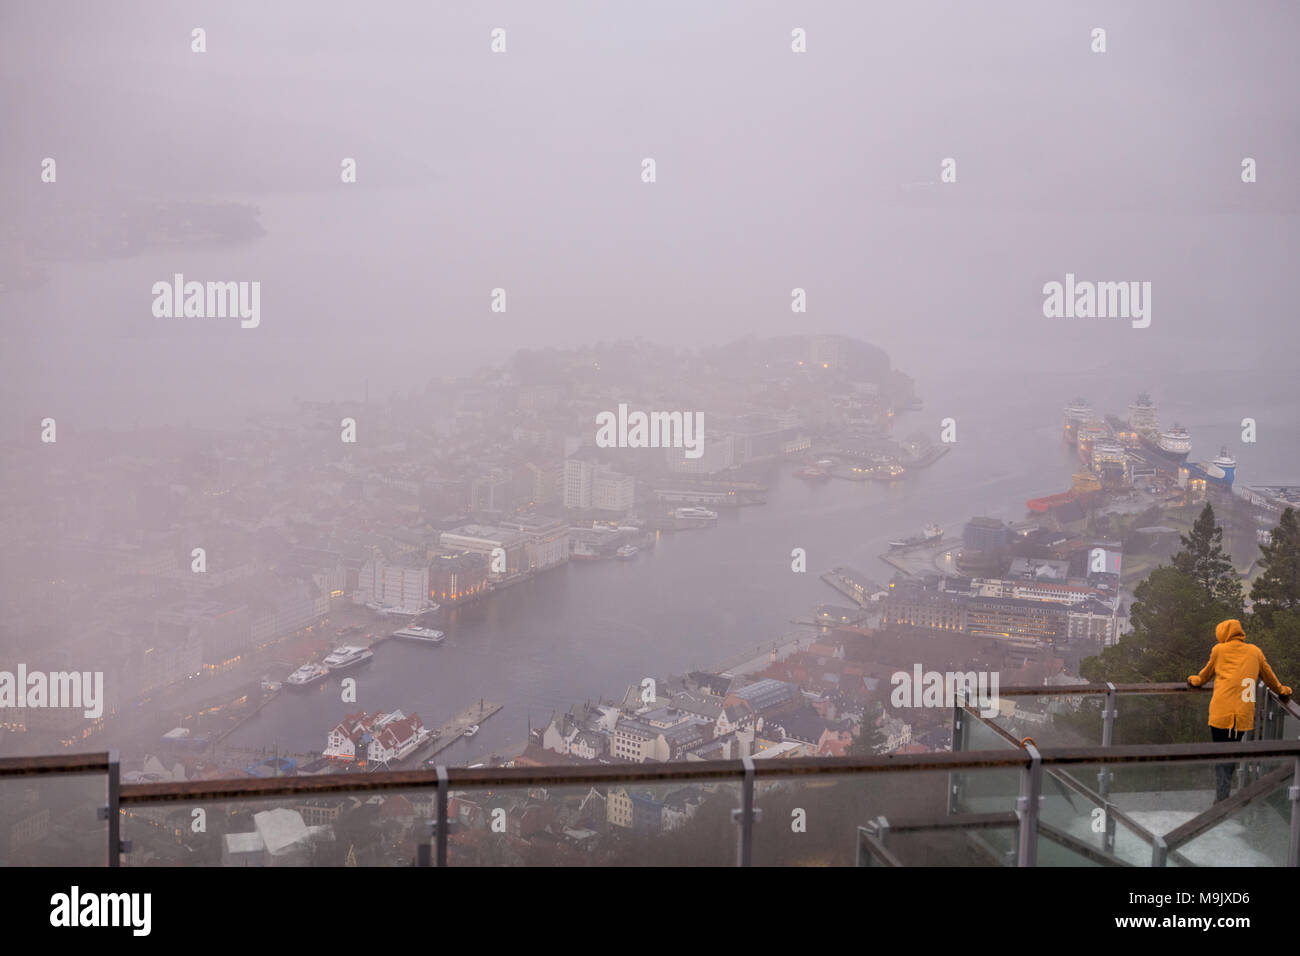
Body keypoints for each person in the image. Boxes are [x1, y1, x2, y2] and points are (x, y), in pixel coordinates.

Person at [1187, 619, 1292, 802]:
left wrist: (1193, 680)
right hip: (1243, 713)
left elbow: (1203, 676)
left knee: (1220, 755)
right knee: (1232, 755)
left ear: (1223, 634)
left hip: (1221, 711)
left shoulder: (1219, 650)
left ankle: (1221, 798)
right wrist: (1283, 691)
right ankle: (1223, 796)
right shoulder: (1255, 652)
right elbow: (1270, 679)